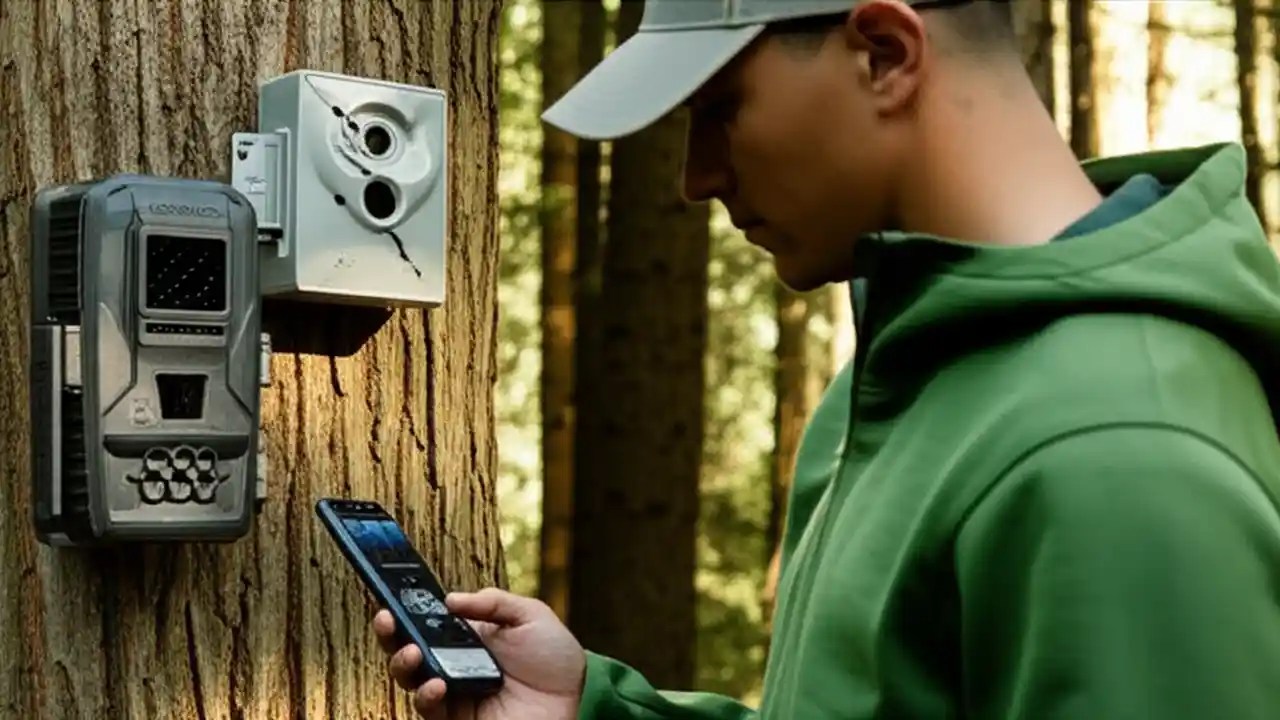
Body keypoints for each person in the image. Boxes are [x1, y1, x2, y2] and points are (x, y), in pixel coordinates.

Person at [375, 0, 1280, 717]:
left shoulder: (1116, 446)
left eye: (720, 111)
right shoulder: (908, 377)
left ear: (884, 53)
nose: (697, 178)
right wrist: (592, 712)